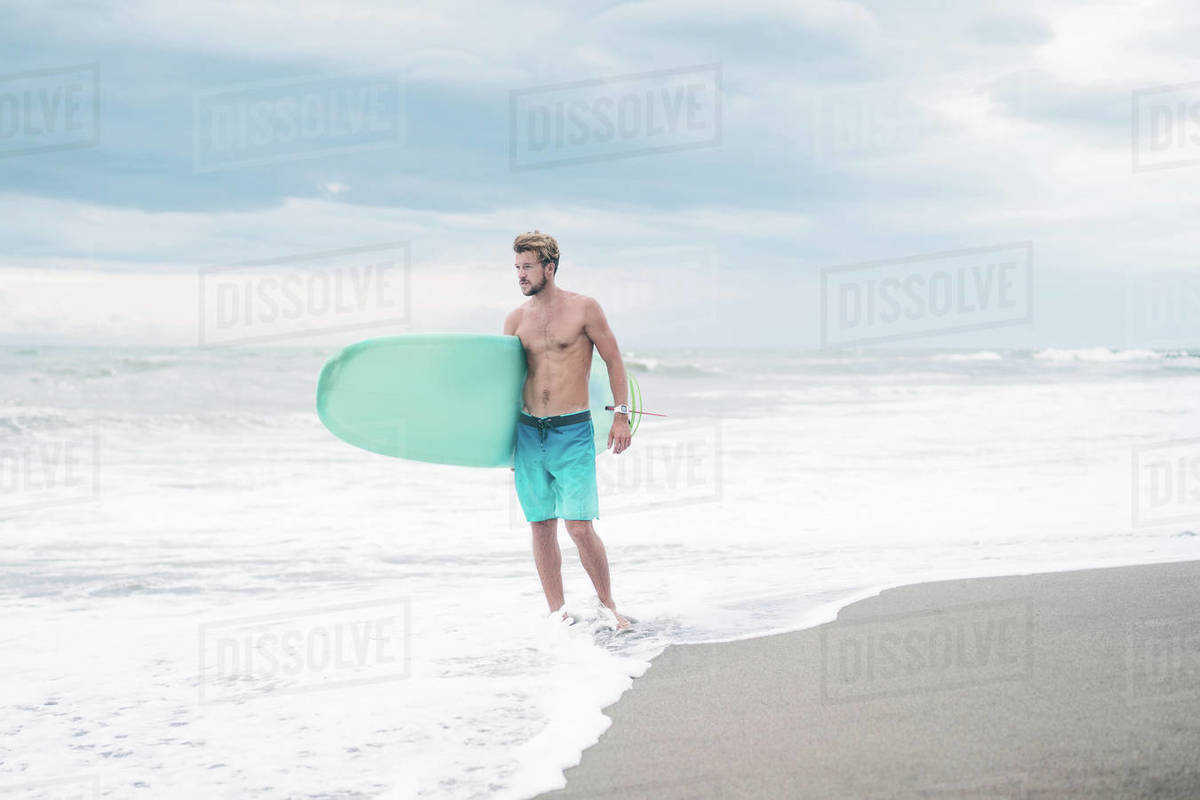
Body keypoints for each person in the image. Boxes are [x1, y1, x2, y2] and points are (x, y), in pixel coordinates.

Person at [503, 230, 631, 630]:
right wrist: (503, 444)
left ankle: (609, 606)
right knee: (541, 525)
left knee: (578, 526)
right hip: (528, 433)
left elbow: (613, 360)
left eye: (528, 267)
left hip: (572, 430)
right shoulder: (515, 320)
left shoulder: (584, 309)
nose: (521, 275)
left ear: (549, 267)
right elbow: (505, 383)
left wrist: (621, 416)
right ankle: (558, 614)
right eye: (517, 267)